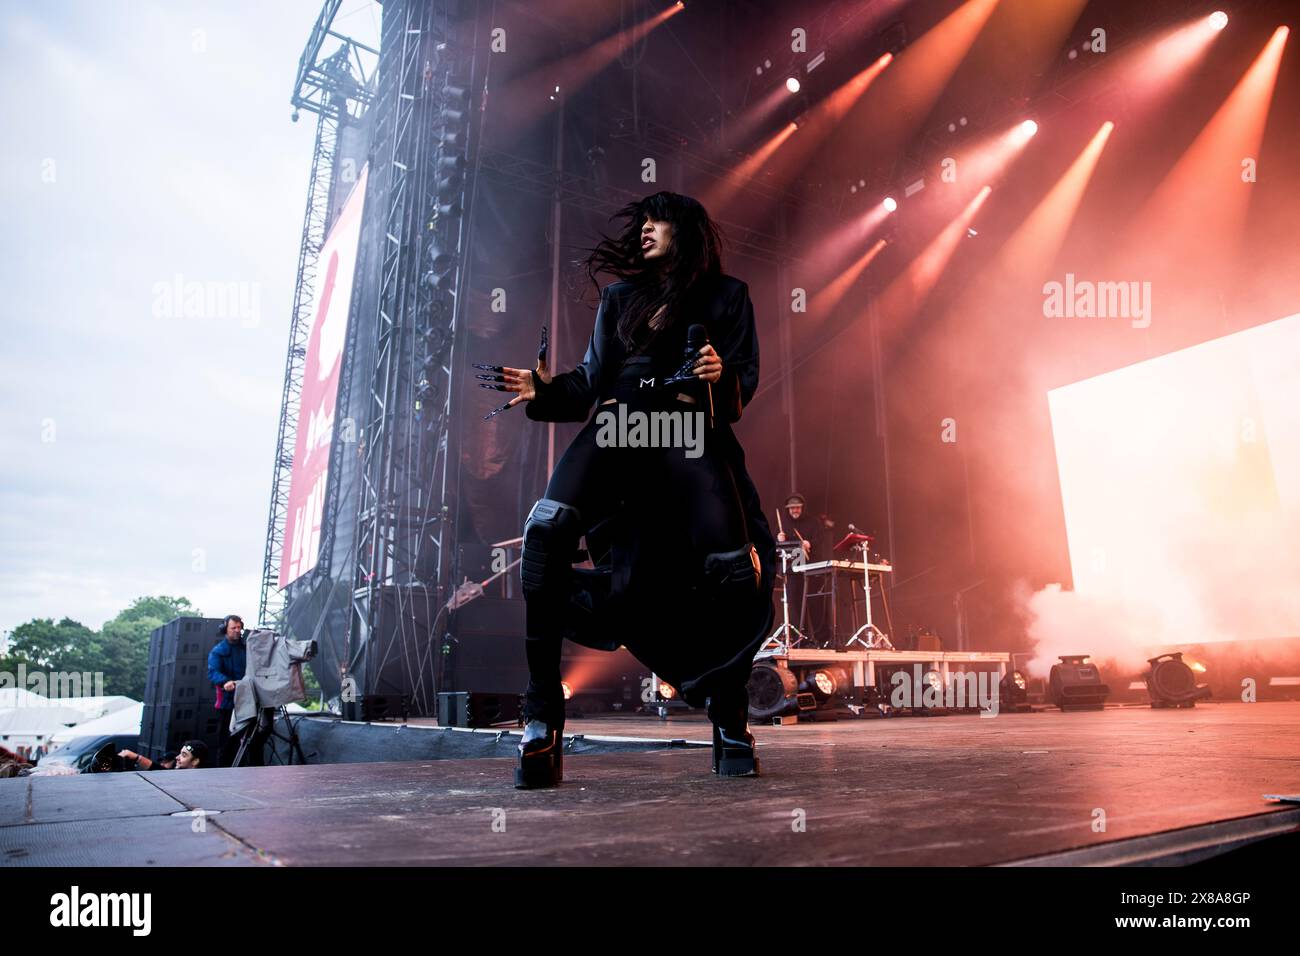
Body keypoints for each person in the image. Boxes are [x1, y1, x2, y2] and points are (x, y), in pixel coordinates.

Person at [479, 190, 776, 788]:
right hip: (617, 428)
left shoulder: (727, 295)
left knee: (731, 566)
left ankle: (730, 720)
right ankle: (541, 721)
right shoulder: (618, 299)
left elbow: (743, 382)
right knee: (546, 533)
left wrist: (719, 380)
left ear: (686, 229)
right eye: (640, 220)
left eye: (657, 220)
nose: (644, 229)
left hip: (689, 431)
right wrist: (544, 392)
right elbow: (587, 383)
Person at [207, 614, 246, 767]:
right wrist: (225, 681)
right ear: (225, 629)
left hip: (246, 701)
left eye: (239, 628)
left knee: (248, 740)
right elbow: (212, 672)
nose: (237, 631)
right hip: (227, 703)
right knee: (226, 742)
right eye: (233, 628)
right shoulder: (218, 651)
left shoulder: (246, 649)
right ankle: (222, 772)